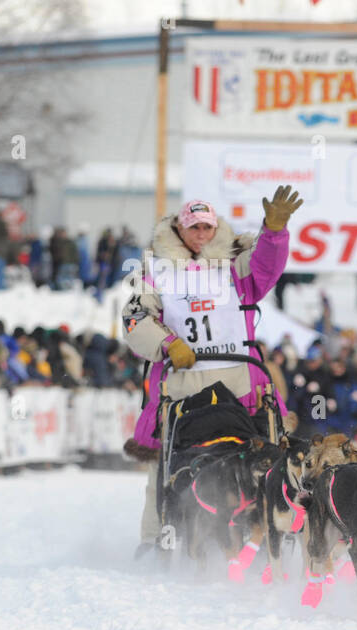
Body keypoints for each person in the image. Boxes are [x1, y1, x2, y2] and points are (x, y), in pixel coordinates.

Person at [122, 188, 302, 555]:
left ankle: (267, 525)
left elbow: (267, 268)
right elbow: (134, 317)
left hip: (239, 378)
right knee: (164, 462)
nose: (201, 233)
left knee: (261, 450)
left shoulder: (235, 262)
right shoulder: (156, 269)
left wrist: (274, 231)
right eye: (194, 227)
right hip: (183, 379)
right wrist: (167, 344)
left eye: (207, 226)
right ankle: (155, 538)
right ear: (179, 229)